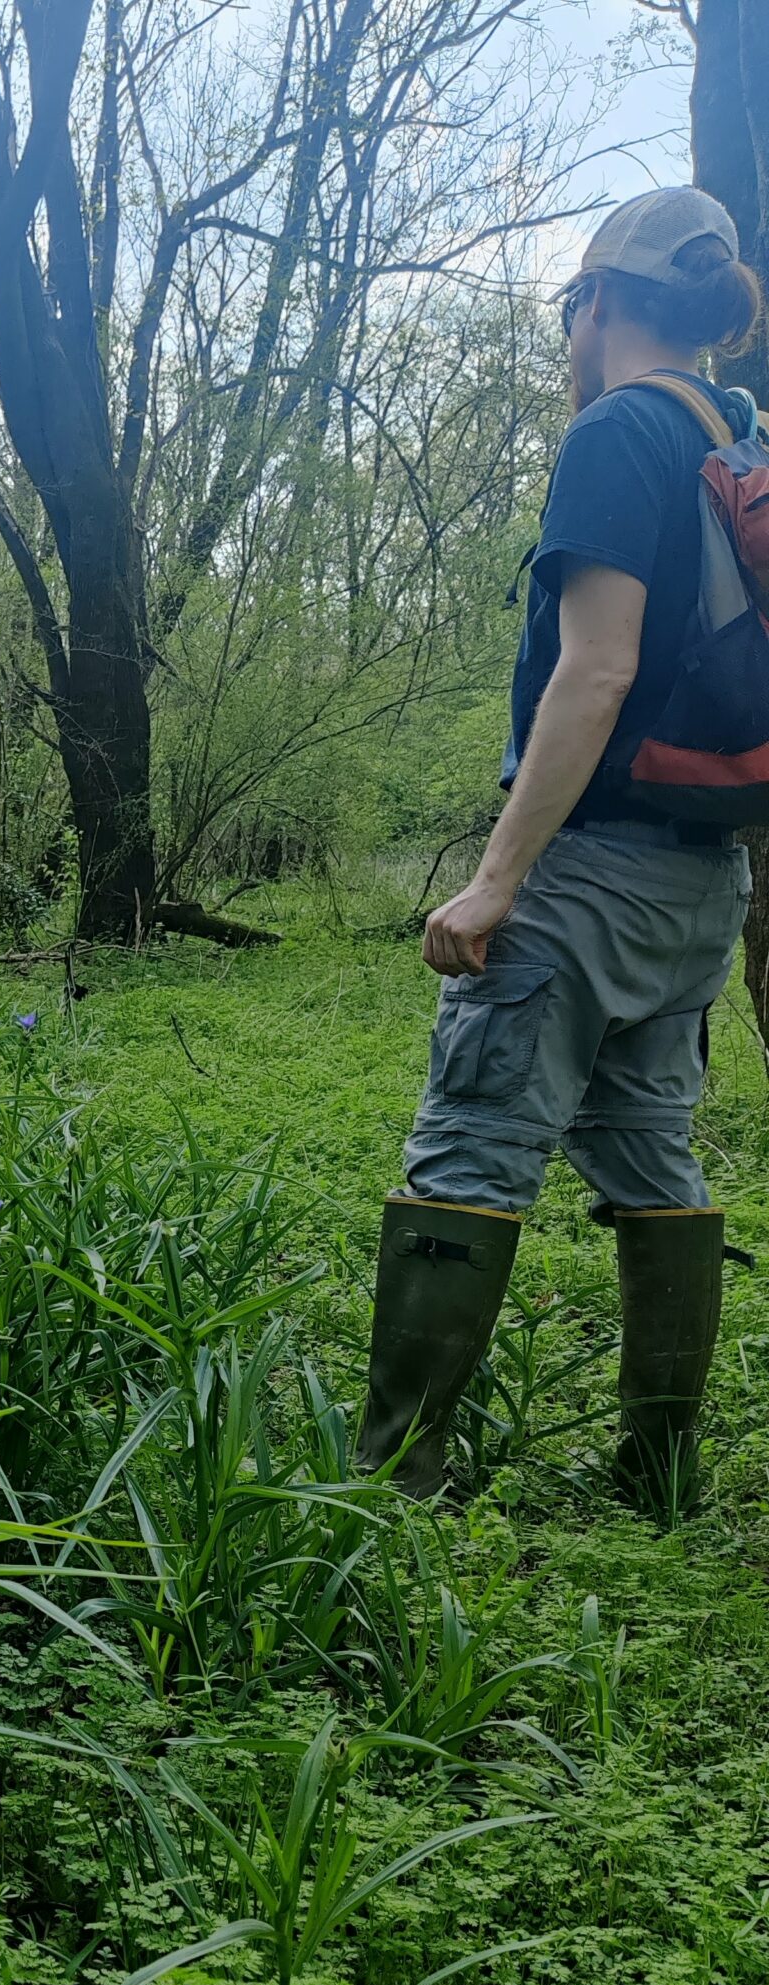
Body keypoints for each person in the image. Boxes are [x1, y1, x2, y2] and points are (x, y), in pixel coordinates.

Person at [358, 187, 765, 1513]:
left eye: (573, 309)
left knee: (474, 1137)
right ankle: (657, 1473)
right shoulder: (745, 436)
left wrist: (497, 875)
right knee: (653, 1144)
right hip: (705, 877)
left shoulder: (619, 433)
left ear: (600, 302)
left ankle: (398, 1474)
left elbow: (595, 672)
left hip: (588, 869)